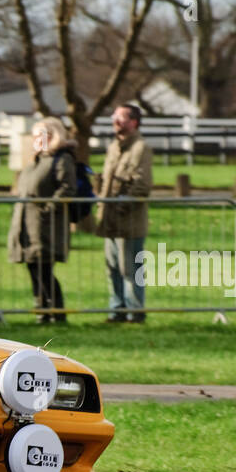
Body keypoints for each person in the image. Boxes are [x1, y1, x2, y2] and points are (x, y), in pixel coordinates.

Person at [7, 116, 75, 324]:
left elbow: (67, 188)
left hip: (46, 226)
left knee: (44, 269)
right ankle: (42, 309)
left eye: (40, 135)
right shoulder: (35, 161)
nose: (35, 139)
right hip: (27, 224)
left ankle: (56, 311)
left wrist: (47, 208)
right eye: (34, 135)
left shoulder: (62, 160)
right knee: (33, 268)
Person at [96, 104, 153, 323]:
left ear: (134, 122)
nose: (115, 122)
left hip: (129, 220)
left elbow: (142, 184)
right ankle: (117, 310)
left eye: (120, 118)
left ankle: (135, 312)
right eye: (114, 117)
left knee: (129, 268)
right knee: (112, 268)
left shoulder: (141, 148)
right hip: (109, 219)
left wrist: (122, 204)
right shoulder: (113, 147)